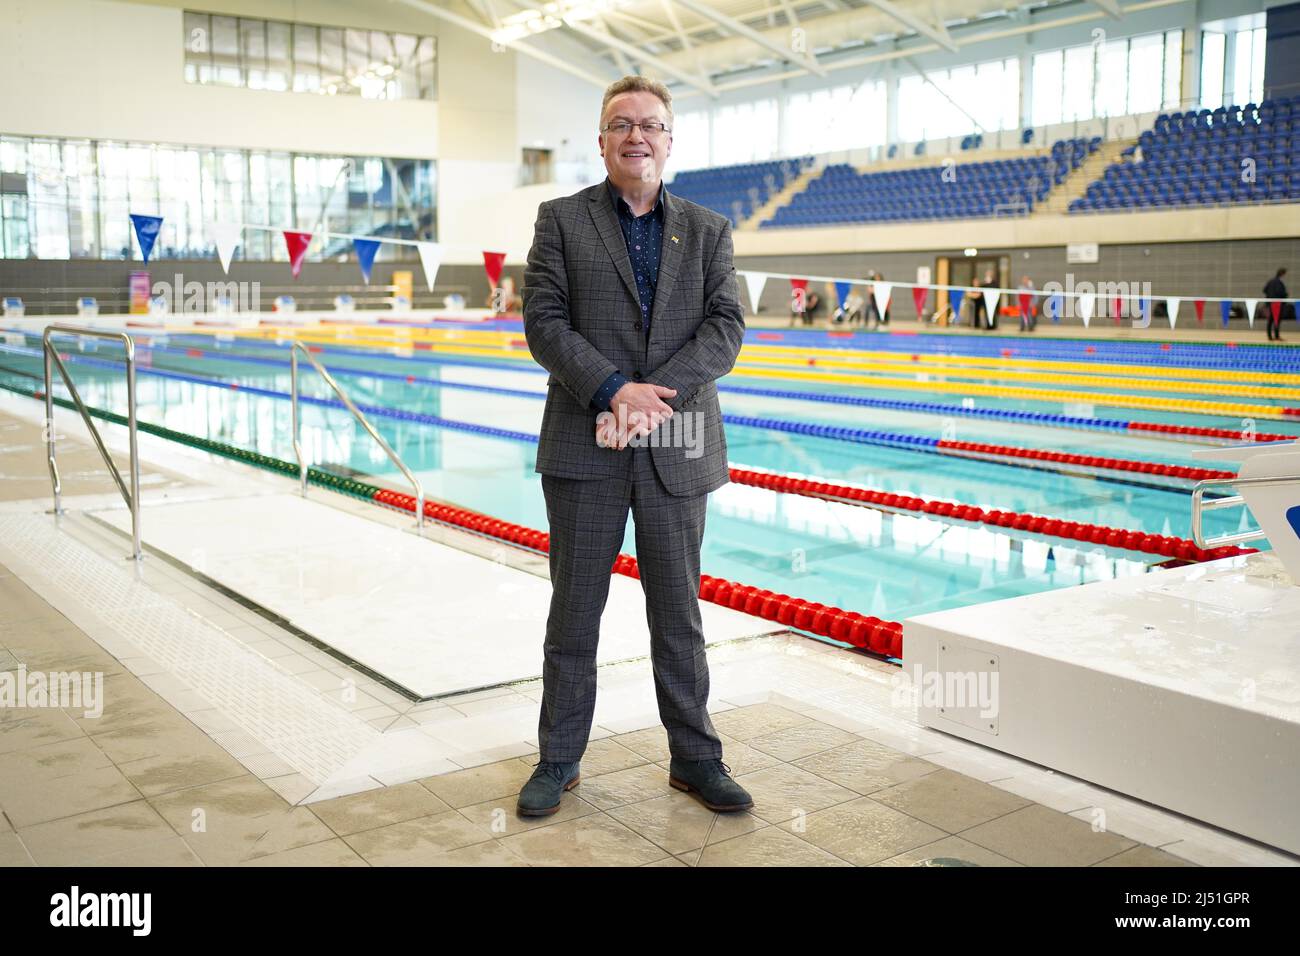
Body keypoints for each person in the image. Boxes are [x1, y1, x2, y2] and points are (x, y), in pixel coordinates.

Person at [520, 75, 750, 817]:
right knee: (574, 611)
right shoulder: (560, 219)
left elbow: (725, 329)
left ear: (669, 139)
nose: (636, 136)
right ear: (602, 140)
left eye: (650, 124)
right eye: (621, 124)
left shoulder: (710, 230)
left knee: (678, 613)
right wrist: (614, 388)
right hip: (588, 436)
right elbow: (544, 322)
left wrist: (653, 399)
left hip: (676, 440)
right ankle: (558, 760)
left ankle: (695, 759)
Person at [1264, 268, 1292, 342]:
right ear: (1282, 274)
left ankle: (1270, 337)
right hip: (1277, 304)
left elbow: (1264, 290)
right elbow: (1280, 292)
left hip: (1270, 303)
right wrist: (1285, 294)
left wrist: (1269, 296)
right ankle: (1276, 336)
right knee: (1276, 320)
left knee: (1271, 320)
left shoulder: (1270, 281)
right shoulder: (1278, 282)